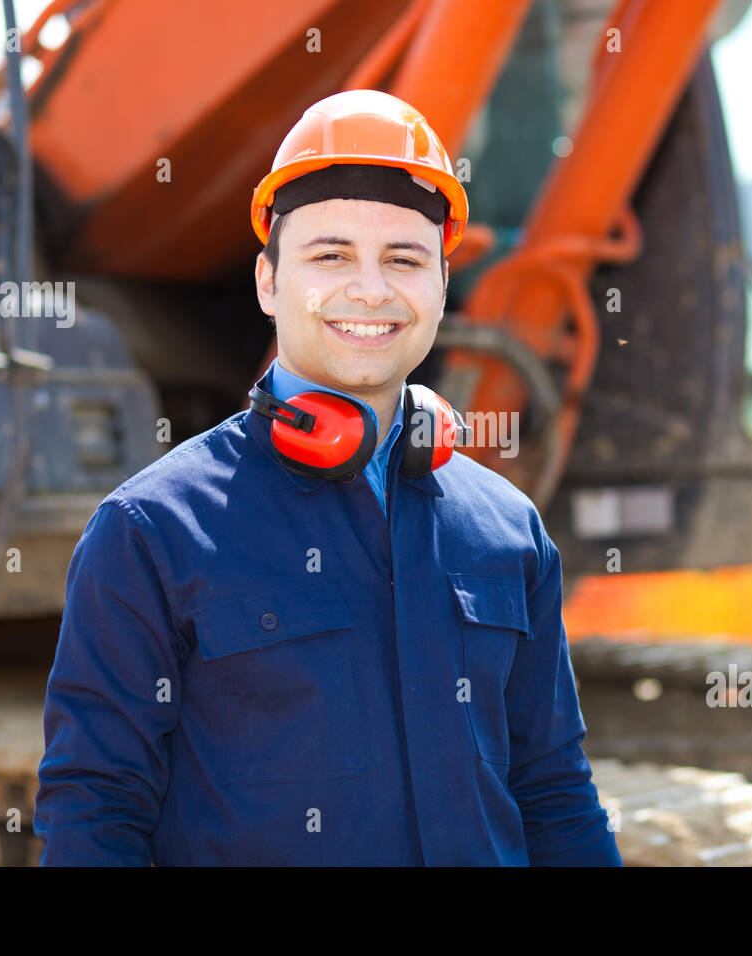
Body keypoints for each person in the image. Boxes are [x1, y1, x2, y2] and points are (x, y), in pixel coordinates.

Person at [34, 89, 622, 866]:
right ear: (268, 282)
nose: (371, 290)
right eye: (330, 255)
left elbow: (553, 791)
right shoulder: (154, 531)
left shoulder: (508, 530)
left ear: (442, 289)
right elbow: (95, 812)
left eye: (404, 259)